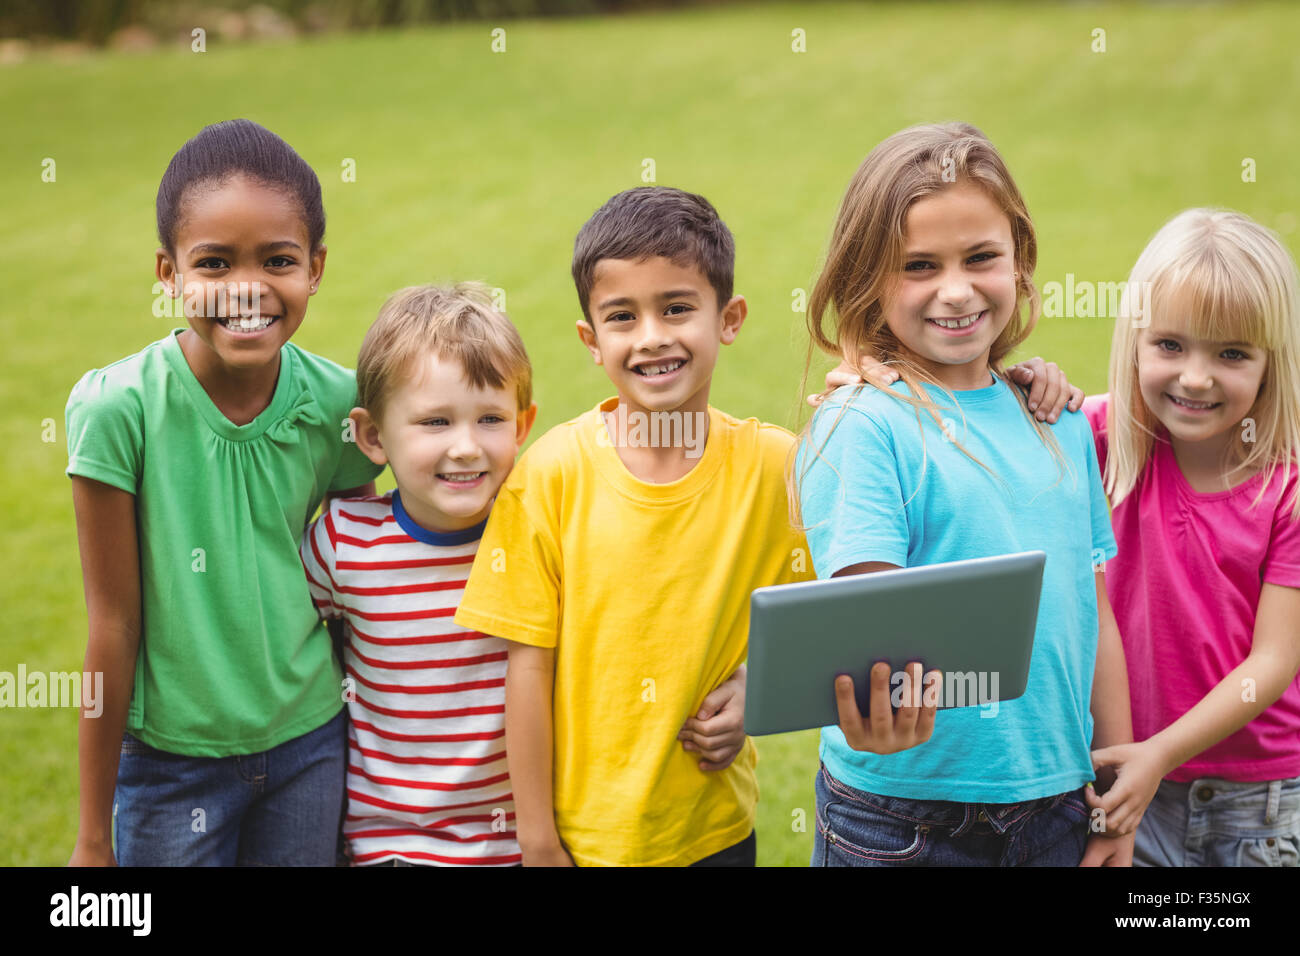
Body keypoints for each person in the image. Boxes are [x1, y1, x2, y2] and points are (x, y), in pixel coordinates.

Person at [453, 186, 937, 867]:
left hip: (717, 835)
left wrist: (757, 693)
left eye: (677, 307)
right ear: (591, 340)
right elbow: (527, 669)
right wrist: (536, 839)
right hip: (584, 842)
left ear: (729, 318)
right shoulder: (551, 474)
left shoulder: (778, 467)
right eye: (623, 316)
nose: (652, 337)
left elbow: (845, 618)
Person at [794, 121, 1134, 867]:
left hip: (1056, 809)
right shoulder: (862, 425)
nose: (956, 290)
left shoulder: (1059, 421)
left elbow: (1093, 611)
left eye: (982, 257)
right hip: (901, 823)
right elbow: (867, 635)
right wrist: (874, 712)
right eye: (918, 266)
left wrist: (1114, 786)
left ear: (1019, 261)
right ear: (866, 280)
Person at [65, 119, 383, 866]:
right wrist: (90, 835)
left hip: (310, 748)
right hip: (171, 763)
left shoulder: (343, 404)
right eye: (213, 263)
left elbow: (363, 584)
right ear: (167, 273)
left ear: (316, 267)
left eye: (277, 260)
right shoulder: (119, 410)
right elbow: (110, 622)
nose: (247, 289)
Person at [1082, 208, 1300, 866]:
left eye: (1231, 353)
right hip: (1120, 779)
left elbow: (1272, 661)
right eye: (1170, 345)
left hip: (1255, 803)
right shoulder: (1094, 441)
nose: (1196, 377)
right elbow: (976, 411)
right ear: (1135, 342)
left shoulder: (1286, 490)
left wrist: (1161, 753)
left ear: (1271, 363)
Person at [300, 283, 537, 866]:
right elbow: (281, 658)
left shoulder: (540, 536)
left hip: (522, 843)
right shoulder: (342, 542)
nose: (465, 447)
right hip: (392, 847)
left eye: (490, 419)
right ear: (374, 436)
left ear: (522, 426)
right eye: (435, 422)